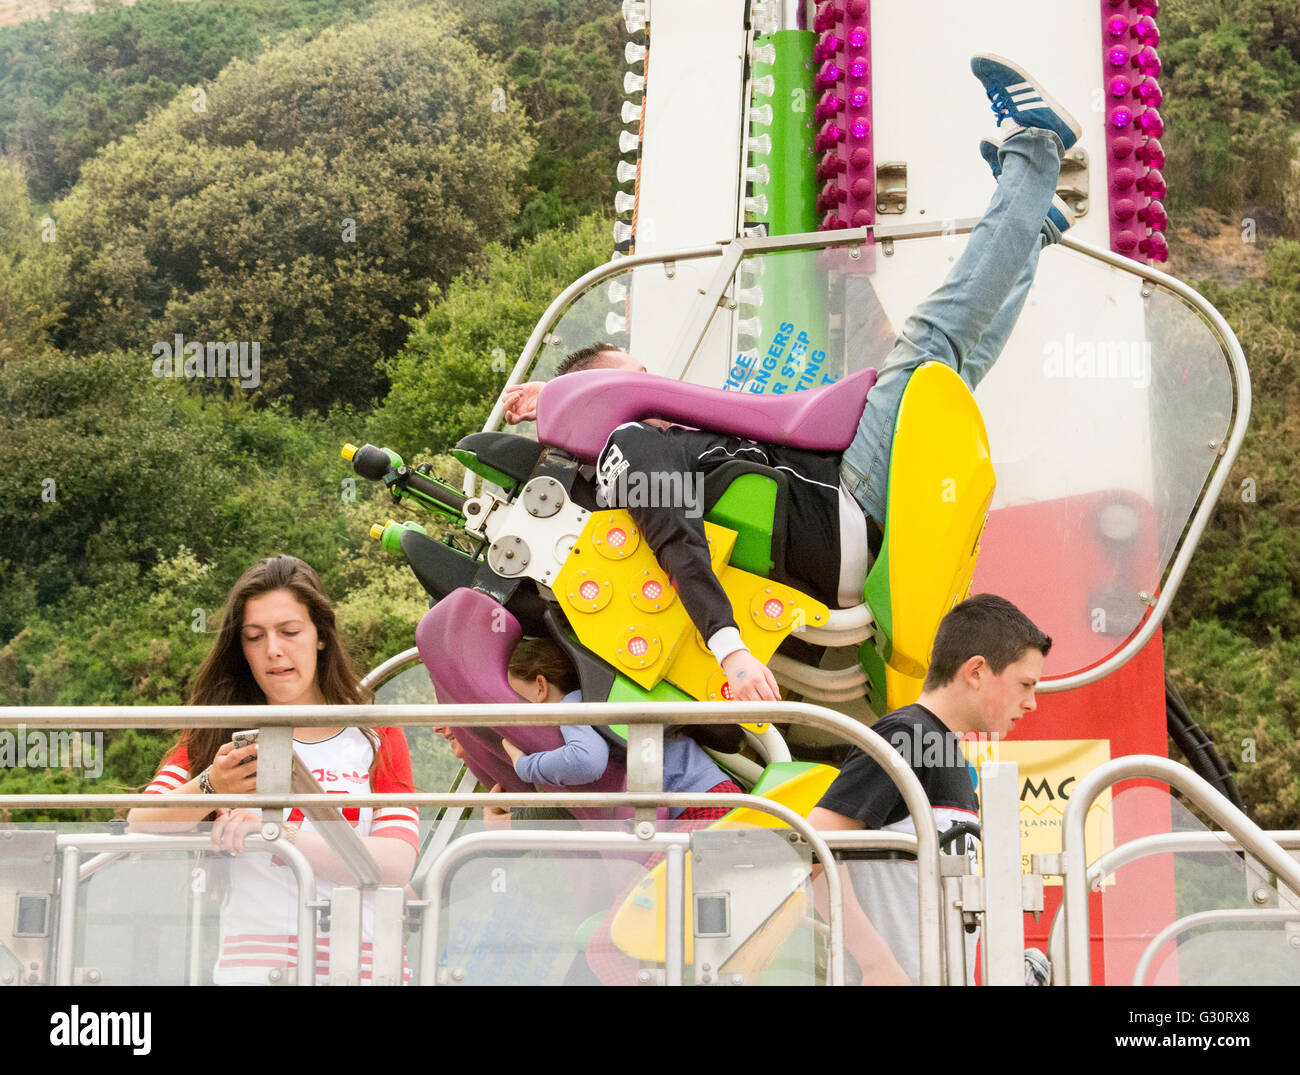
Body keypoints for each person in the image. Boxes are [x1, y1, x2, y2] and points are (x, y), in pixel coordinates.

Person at [502, 55, 1078, 704]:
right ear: (599, 400)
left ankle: (1033, 231)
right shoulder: (628, 445)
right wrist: (731, 650)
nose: (654, 385)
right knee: (933, 342)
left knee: (949, 374)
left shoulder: (677, 443)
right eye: (633, 380)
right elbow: (674, 534)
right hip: (843, 507)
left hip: (846, 511)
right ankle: (1035, 145)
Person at [128, 555, 419, 985]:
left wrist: (277, 833)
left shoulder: (374, 734)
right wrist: (214, 785)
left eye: (290, 632)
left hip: (362, 967)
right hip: (256, 971)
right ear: (240, 649)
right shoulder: (218, 733)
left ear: (321, 636)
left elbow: (395, 863)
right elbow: (141, 820)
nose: (274, 650)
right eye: (254, 637)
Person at [808, 593, 1053, 983]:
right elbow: (810, 851)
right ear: (975, 671)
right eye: (1024, 684)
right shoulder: (909, 735)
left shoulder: (942, 748)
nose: (1031, 703)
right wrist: (876, 963)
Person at [491, 636, 742, 823]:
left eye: (516, 696)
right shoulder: (597, 696)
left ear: (540, 687)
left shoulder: (572, 706)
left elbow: (587, 761)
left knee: (645, 891)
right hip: (710, 793)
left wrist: (524, 766)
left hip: (699, 805)